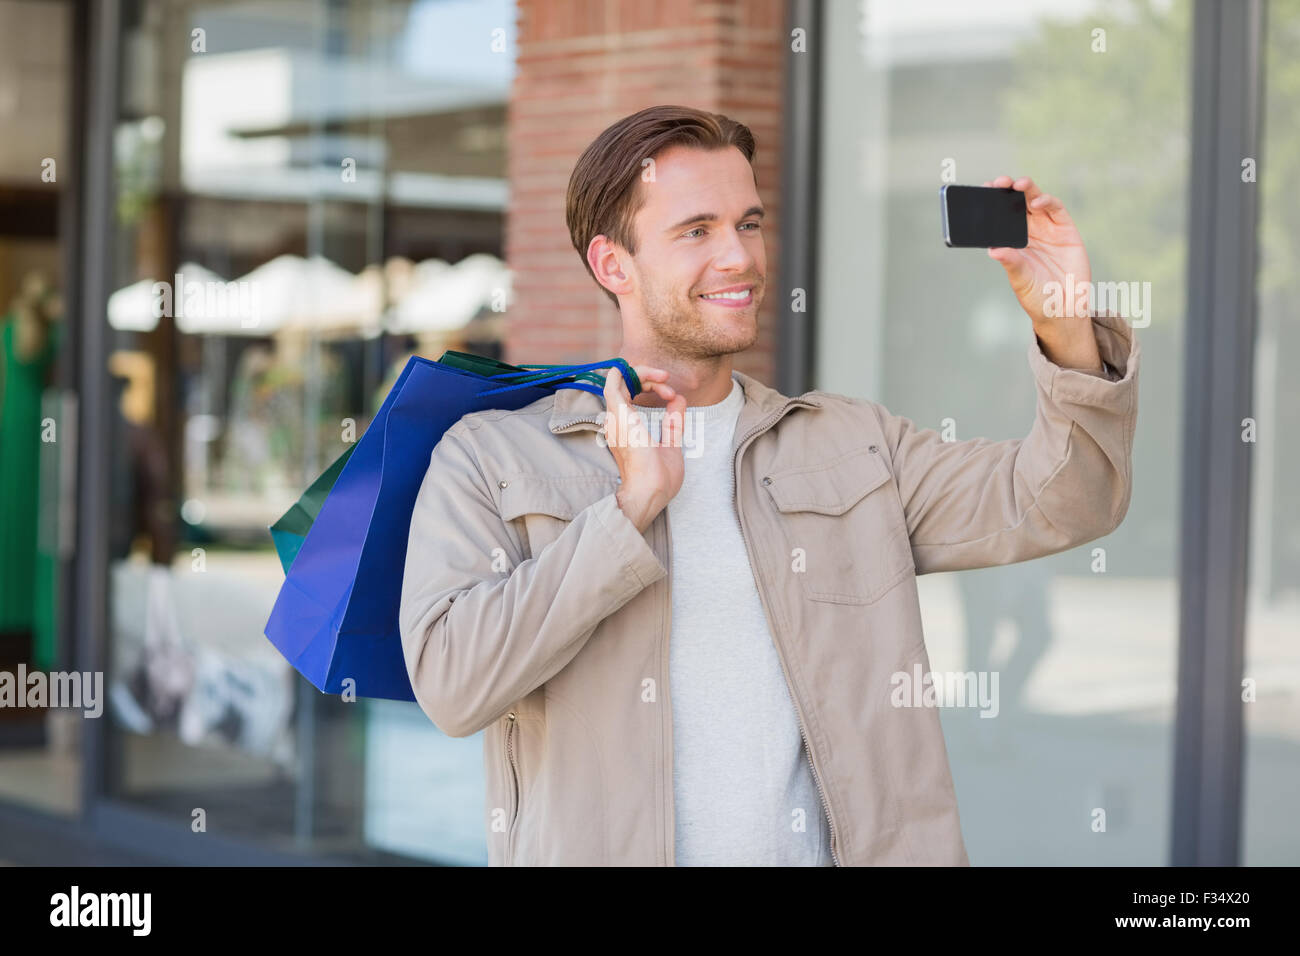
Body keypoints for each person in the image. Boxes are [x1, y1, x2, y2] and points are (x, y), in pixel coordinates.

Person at [399, 105, 1140, 866]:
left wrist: (1068, 328)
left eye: (748, 224)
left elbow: (1069, 498)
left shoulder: (853, 446)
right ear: (612, 264)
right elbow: (455, 687)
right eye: (697, 231)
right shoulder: (492, 457)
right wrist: (627, 514)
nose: (740, 258)